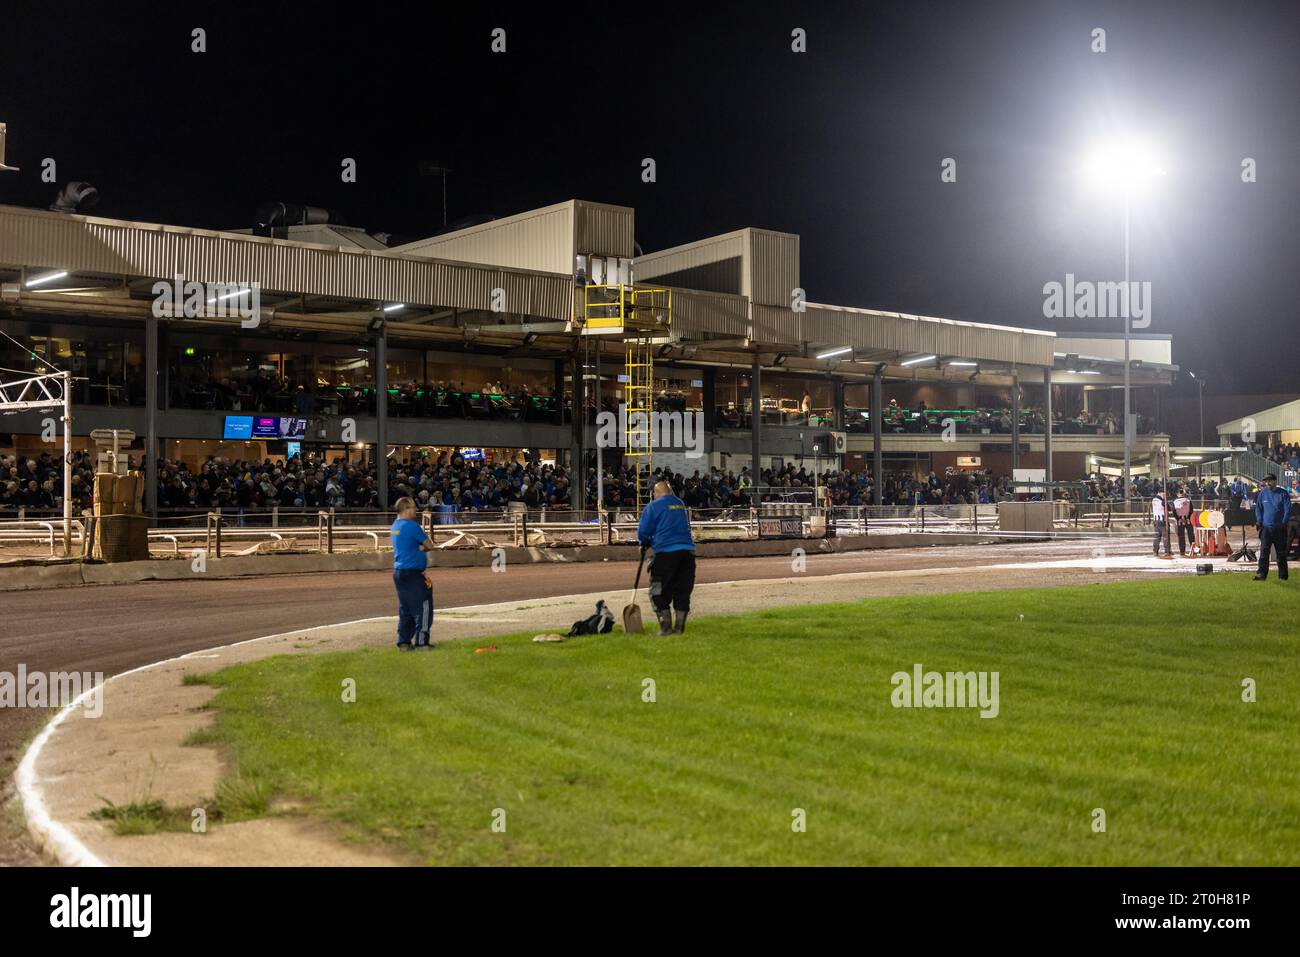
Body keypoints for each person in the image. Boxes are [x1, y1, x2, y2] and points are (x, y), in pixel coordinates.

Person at [637, 480, 696, 635]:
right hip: (687, 552)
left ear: (655, 493)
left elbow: (643, 531)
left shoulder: (653, 506)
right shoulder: (679, 503)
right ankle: (679, 629)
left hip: (665, 553)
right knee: (682, 591)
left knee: (657, 590)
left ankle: (665, 627)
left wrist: (644, 543)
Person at [390, 496, 435, 649]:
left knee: (406, 608)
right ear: (406, 509)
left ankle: (403, 641)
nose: (416, 510)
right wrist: (421, 548)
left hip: (399, 572)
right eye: (413, 507)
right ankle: (422, 643)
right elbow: (430, 545)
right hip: (413, 573)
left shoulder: (395, 526)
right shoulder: (412, 526)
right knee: (424, 606)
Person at [1253, 473, 1291, 581]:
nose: (1267, 483)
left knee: (1281, 553)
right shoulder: (1263, 494)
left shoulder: (1283, 493)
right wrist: (1259, 521)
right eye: (1266, 481)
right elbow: (1258, 509)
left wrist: (1284, 522)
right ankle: (1261, 574)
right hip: (1266, 529)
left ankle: (1283, 576)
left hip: (1280, 528)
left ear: (1275, 481)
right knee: (1264, 552)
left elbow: (1287, 509)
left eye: (1270, 481)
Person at [1151, 489, 1169, 557]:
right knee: (1165, 536)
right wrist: (1164, 499)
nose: (1164, 496)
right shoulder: (1161, 501)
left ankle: (1155, 551)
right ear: (1160, 493)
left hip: (1156, 520)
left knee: (1157, 536)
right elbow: (1168, 507)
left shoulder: (1154, 500)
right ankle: (1167, 551)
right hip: (1162, 519)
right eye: (1164, 494)